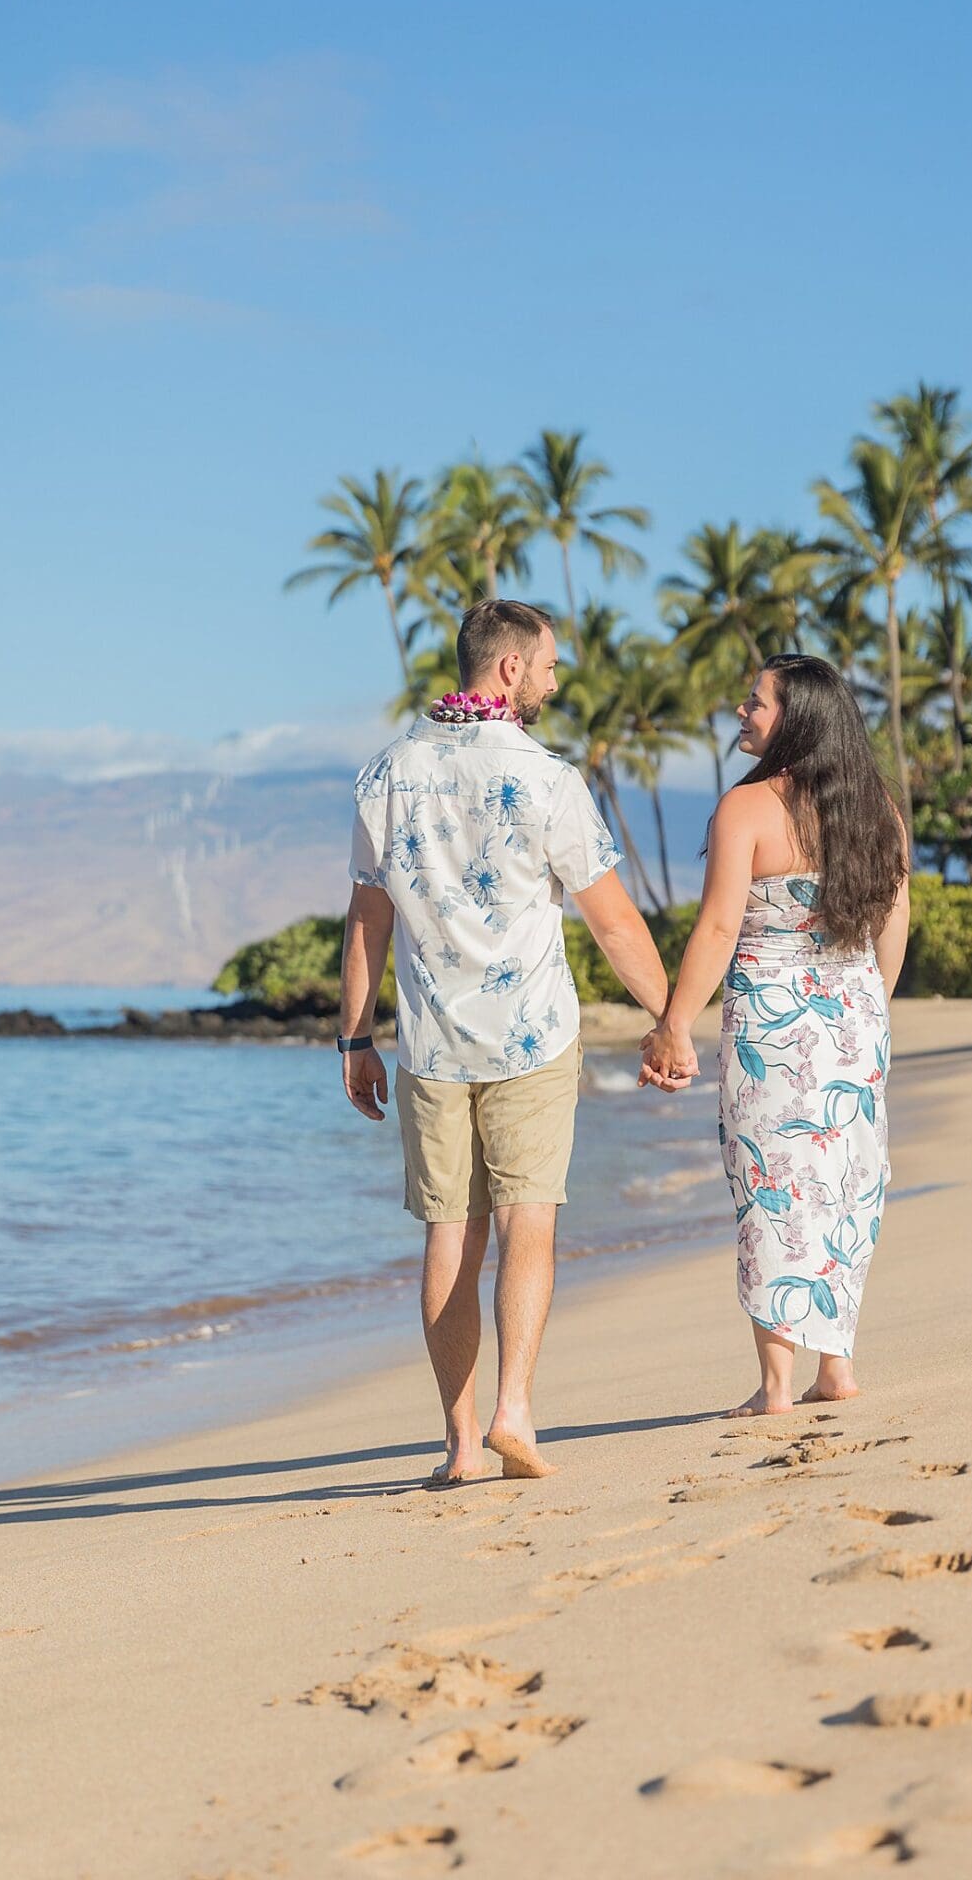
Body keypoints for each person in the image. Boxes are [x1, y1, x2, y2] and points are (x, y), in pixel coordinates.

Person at [340, 599, 672, 1482]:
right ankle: (514, 1412)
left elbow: (367, 918)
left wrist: (353, 1040)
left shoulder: (387, 774)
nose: (558, 681)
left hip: (430, 1047)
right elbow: (612, 923)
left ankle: (458, 1444)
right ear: (511, 669)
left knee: (451, 1233)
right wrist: (670, 1018)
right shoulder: (549, 779)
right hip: (530, 1037)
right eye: (552, 666)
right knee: (531, 1222)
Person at [639, 654, 910, 1417]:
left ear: (796, 717)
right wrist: (868, 1015)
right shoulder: (875, 807)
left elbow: (721, 926)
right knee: (845, 1184)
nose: (741, 710)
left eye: (755, 701)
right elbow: (896, 920)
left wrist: (674, 1027)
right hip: (855, 1017)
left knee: (772, 1188)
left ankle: (777, 1386)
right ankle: (838, 1367)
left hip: (771, 1020)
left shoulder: (747, 808)